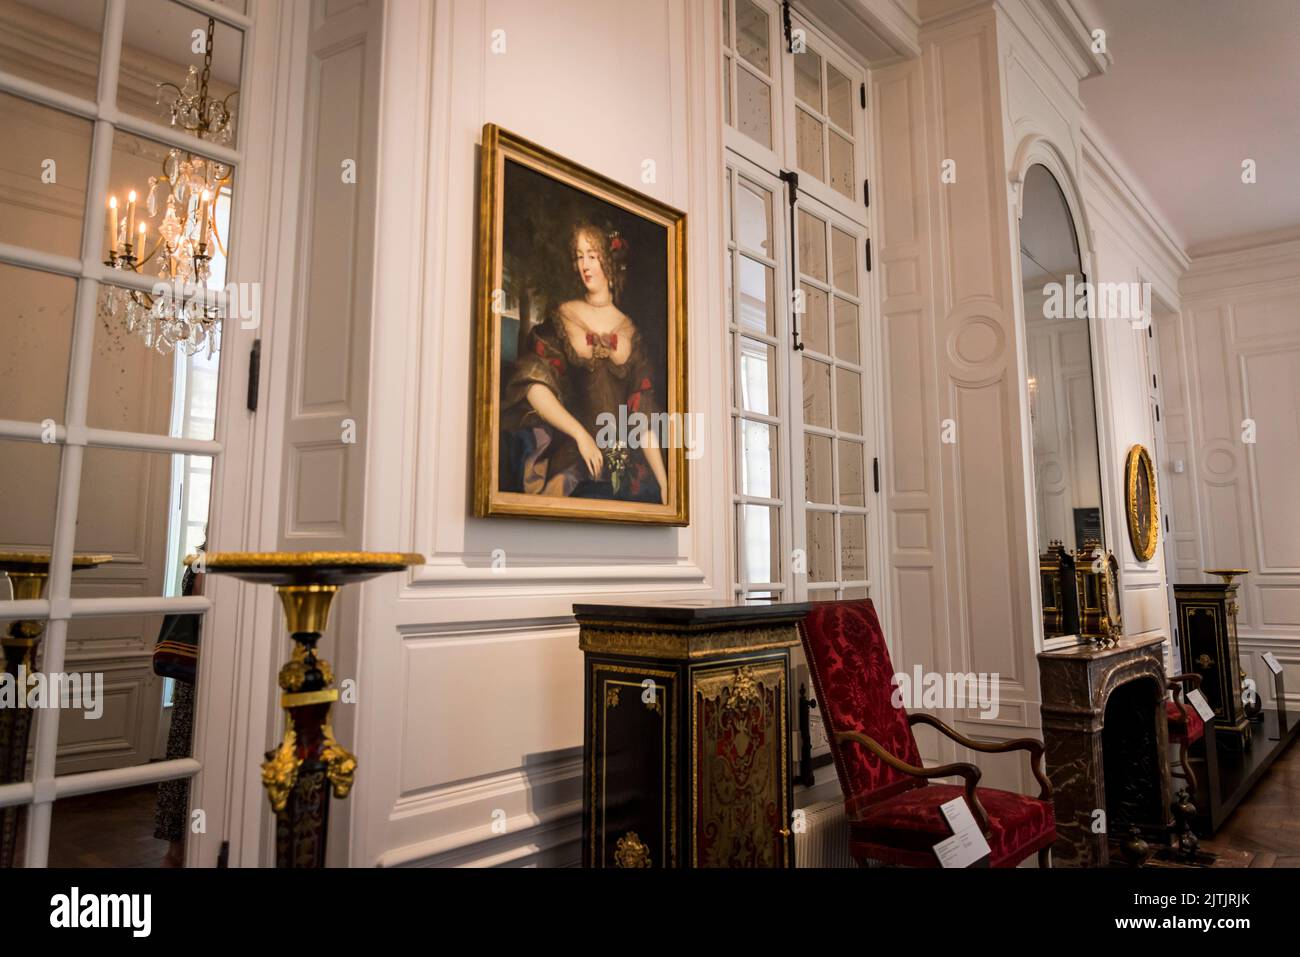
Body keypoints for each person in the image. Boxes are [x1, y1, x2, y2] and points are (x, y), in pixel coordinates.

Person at [501, 222, 668, 503]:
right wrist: (580, 435)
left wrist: (665, 484)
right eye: (579, 256)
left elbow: (644, 415)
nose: (585, 266)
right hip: (573, 457)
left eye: (592, 256)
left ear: (609, 261)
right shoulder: (565, 316)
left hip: (623, 466)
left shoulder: (631, 333)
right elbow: (533, 383)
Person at [153, 544, 203, 867]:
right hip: (201, 674)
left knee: (184, 756)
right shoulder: (207, 563)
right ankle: (181, 849)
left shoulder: (198, 560)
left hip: (192, 677)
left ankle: (178, 849)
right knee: (191, 755)